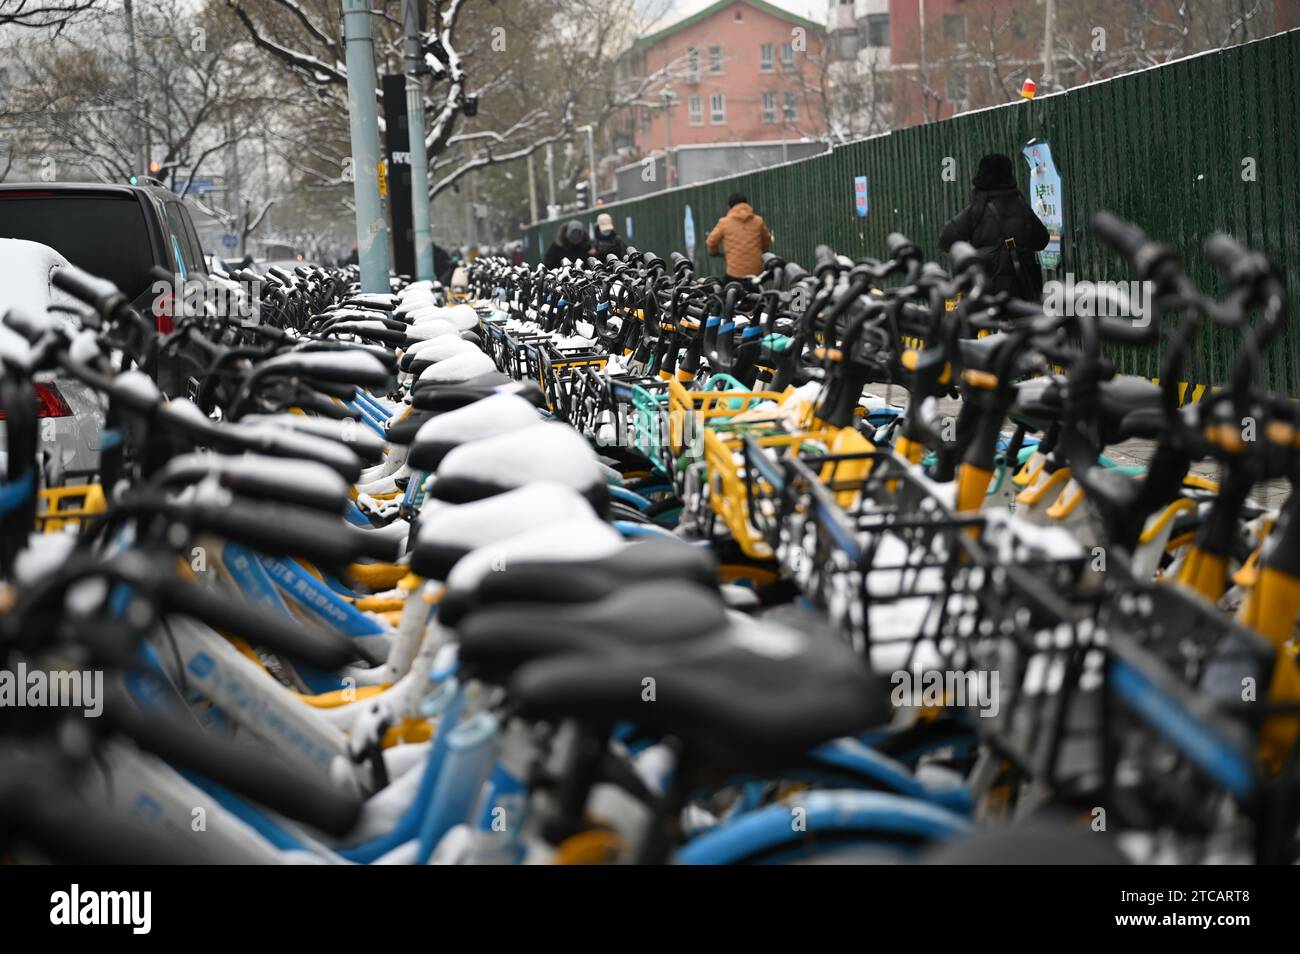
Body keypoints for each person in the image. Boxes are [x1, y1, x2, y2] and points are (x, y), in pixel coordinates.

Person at [939, 153, 1050, 301]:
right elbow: (1042, 240)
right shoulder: (1021, 207)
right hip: (1021, 290)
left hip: (986, 288)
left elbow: (946, 239)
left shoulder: (976, 210)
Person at [706, 192, 773, 283]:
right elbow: (766, 241)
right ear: (746, 204)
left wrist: (714, 252)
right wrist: (763, 250)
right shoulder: (758, 221)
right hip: (756, 272)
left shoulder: (725, 223)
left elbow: (711, 241)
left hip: (734, 273)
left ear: (730, 207)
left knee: (726, 291)